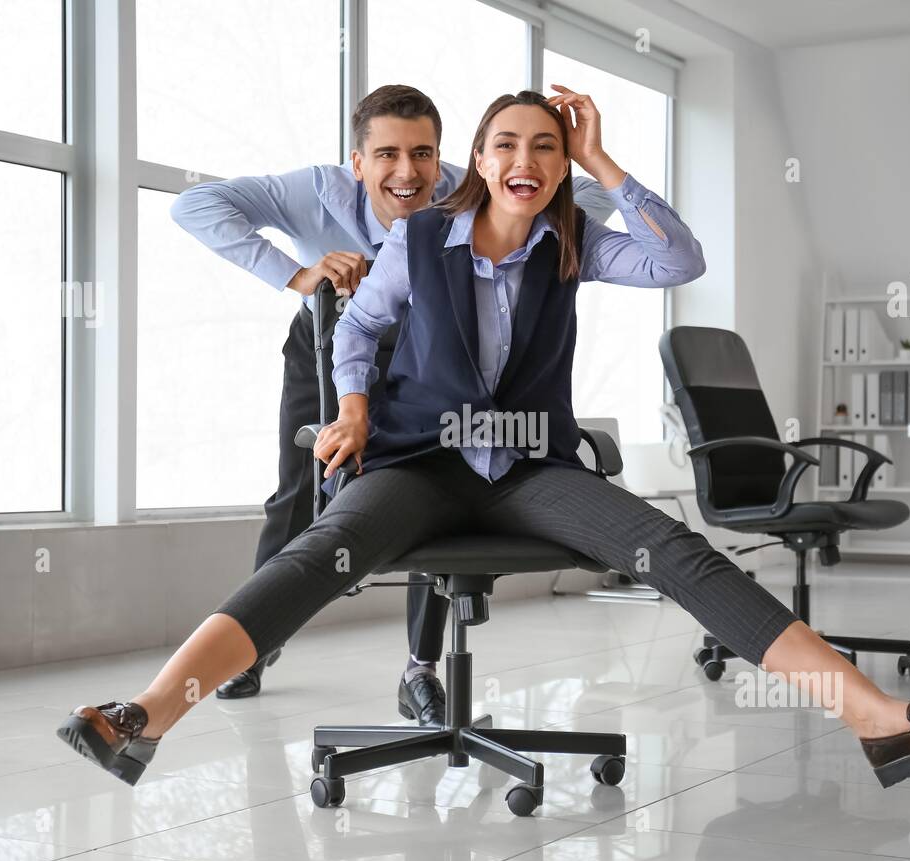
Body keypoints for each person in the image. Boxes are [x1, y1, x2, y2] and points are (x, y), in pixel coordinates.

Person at [59, 86, 910, 791]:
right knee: (314, 555)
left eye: (546, 146)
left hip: (529, 467)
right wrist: (351, 408)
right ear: (476, 158)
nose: (527, 156)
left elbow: (681, 258)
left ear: (559, 164)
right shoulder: (419, 238)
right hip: (420, 463)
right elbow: (353, 331)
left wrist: (606, 163)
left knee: (676, 552)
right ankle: (144, 716)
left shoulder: (577, 239)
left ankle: (879, 721)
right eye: (506, 142)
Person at [169, 85, 614, 720]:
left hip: (432, 345)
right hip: (332, 336)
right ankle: (252, 647)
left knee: (436, 480)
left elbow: (582, 201)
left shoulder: (475, 186)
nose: (407, 174)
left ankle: (421, 668)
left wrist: (550, 168)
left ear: (445, 159)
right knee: (299, 489)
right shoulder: (315, 190)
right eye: (387, 156)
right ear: (358, 162)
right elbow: (196, 204)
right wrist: (298, 276)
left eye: (423, 155)